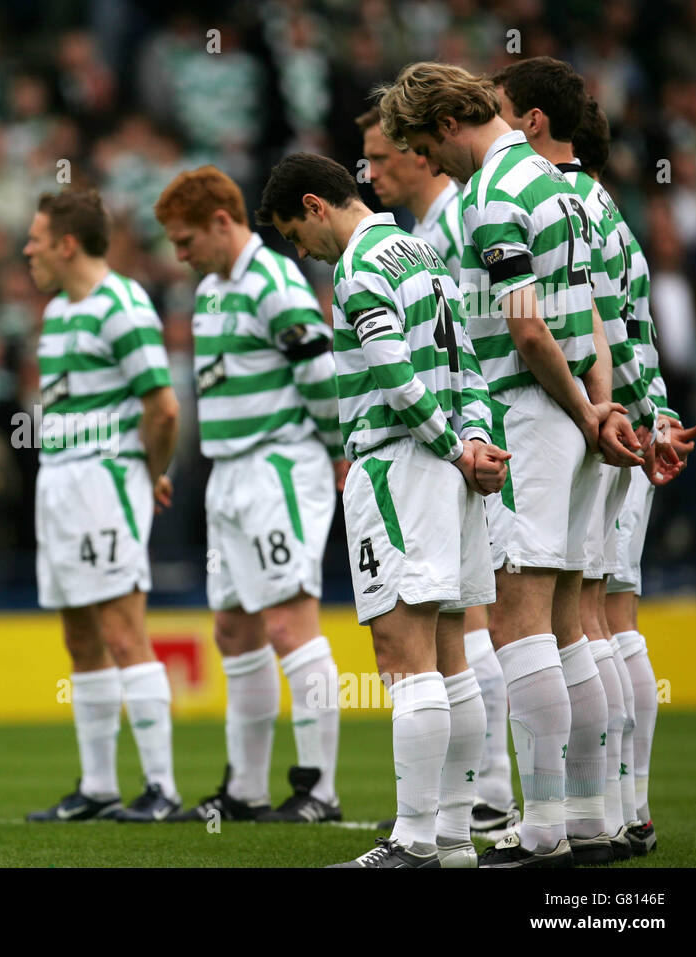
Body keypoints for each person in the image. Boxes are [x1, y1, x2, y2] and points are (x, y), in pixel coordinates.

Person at [377, 61, 648, 866]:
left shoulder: (493, 193)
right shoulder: (560, 185)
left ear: (449, 127)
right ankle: (596, 821)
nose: (434, 164)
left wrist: (574, 410)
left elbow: (527, 330)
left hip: (532, 409)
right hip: (576, 410)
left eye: (428, 146)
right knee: (573, 622)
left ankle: (542, 833)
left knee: (520, 620)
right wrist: (601, 406)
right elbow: (593, 313)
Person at [258, 153, 508, 867]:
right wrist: (475, 442)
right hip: (450, 467)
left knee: (403, 655)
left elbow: (396, 374)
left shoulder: (358, 266)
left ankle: (414, 840)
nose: (299, 253)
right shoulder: (422, 252)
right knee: (452, 655)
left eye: (293, 235)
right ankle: (455, 838)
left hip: (400, 463)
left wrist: (452, 450)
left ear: (314, 204)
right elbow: (469, 369)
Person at [153, 165, 348, 824]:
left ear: (220, 221)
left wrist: (338, 447)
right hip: (229, 473)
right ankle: (246, 788)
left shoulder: (274, 280)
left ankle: (319, 789)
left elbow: (320, 372)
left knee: (290, 623)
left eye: (185, 240)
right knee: (235, 629)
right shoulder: (210, 291)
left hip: (279, 467)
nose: (180, 254)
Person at [356, 104, 516, 837]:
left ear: (421, 153)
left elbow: (493, 334)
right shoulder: (424, 236)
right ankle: (484, 804)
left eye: (383, 156)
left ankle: (488, 796)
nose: (371, 171)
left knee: (477, 622)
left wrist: (466, 440)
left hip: (469, 435)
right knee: (472, 622)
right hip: (475, 431)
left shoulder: (454, 224)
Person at [23, 187, 183, 823]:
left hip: (103, 482)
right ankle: (97, 788)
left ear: (67, 244)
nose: (27, 248)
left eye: (36, 238)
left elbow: (163, 406)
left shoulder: (123, 304)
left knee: (123, 630)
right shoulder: (59, 310)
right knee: (80, 636)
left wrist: (151, 470)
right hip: (59, 481)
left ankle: (163, 790)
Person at [571, 95, 696, 857]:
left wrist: (624, 415)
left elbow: (587, 328)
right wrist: (655, 415)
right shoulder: (614, 219)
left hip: (599, 428)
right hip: (633, 424)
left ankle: (596, 813)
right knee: (614, 620)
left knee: (583, 620)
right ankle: (630, 807)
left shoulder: (568, 212)